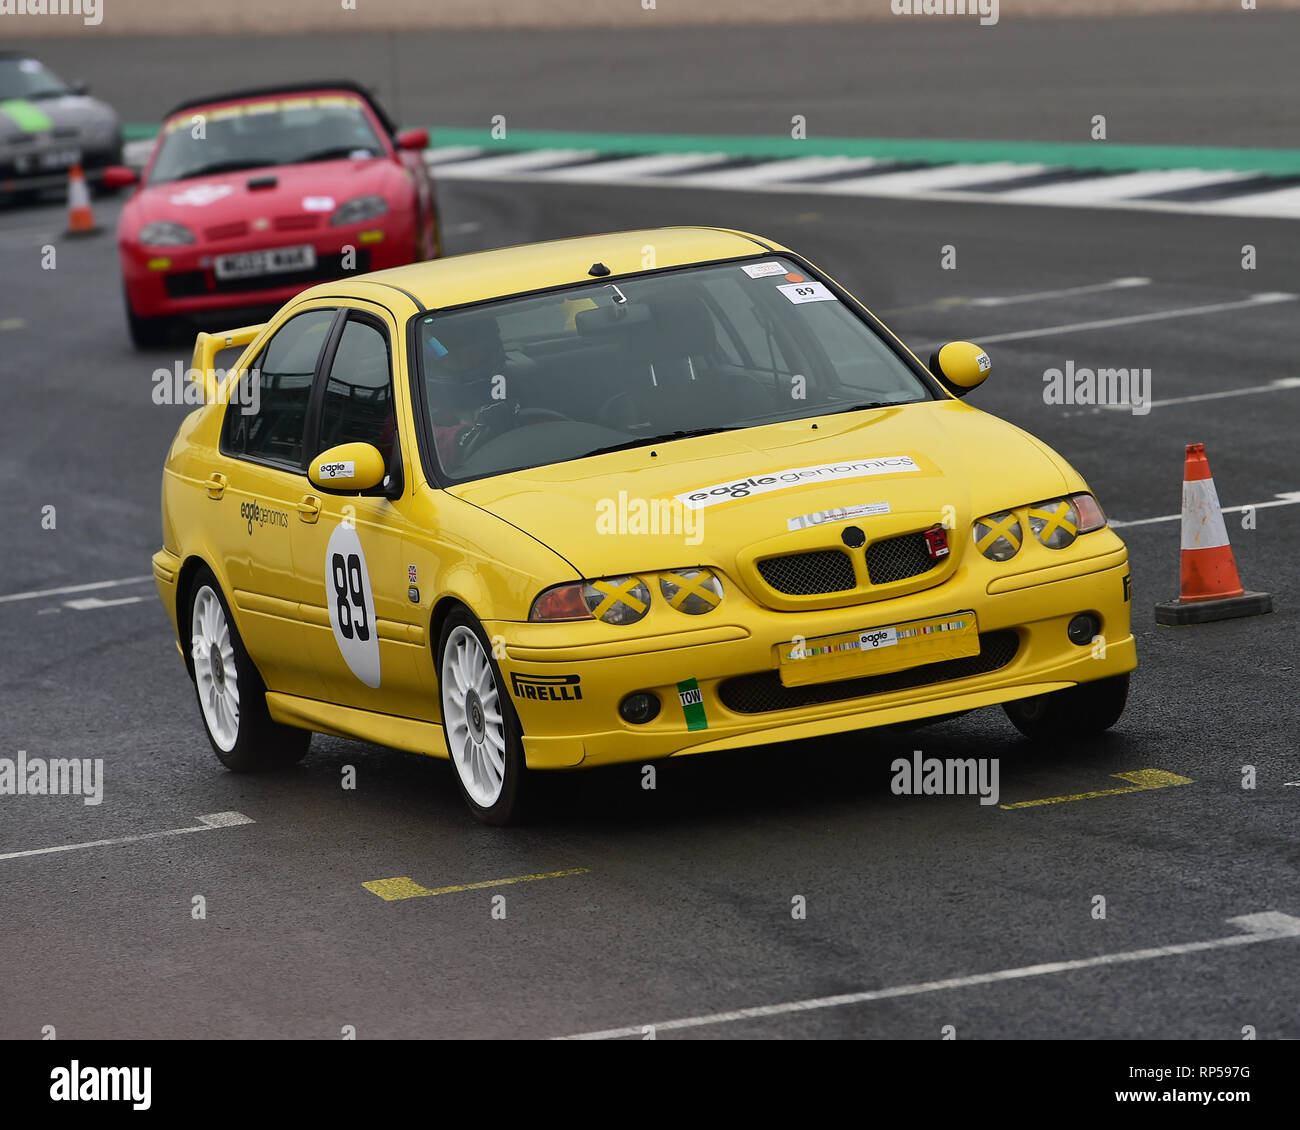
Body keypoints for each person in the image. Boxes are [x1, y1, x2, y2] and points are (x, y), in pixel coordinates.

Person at [421, 314, 509, 470]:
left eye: (472, 349)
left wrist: (514, 420)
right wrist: (461, 438)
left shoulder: (515, 388)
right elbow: (407, 445)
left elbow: (547, 428)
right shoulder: (411, 403)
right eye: (451, 353)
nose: (464, 359)